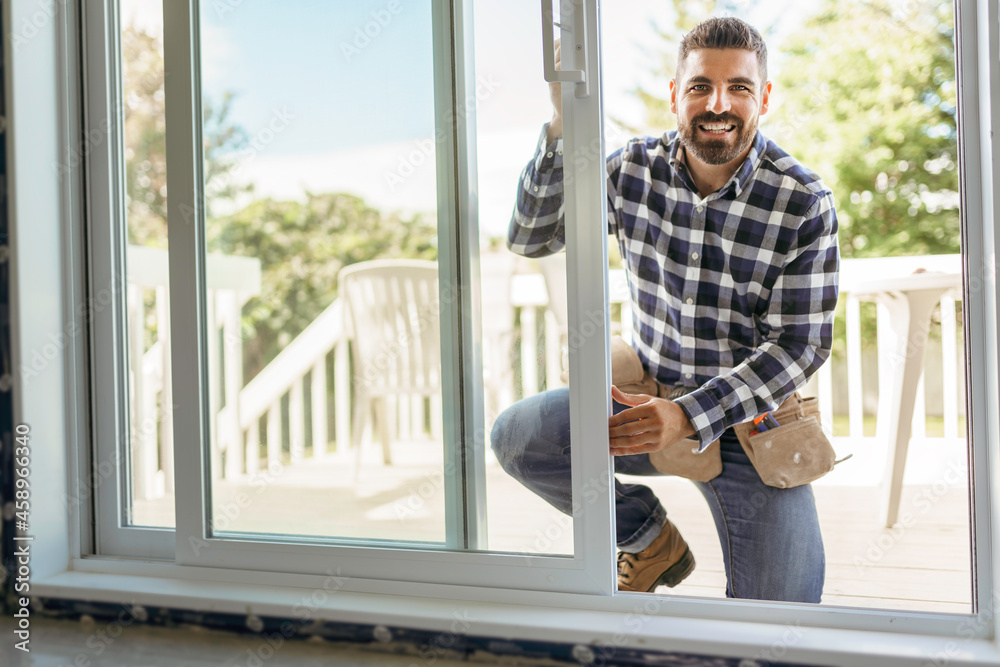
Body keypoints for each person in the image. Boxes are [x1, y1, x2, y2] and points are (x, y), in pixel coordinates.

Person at [491, 17, 839, 603]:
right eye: (701, 86)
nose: (719, 103)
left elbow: (798, 348)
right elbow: (532, 236)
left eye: (740, 88)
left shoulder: (803, 202)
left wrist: (687, 415)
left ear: (766, 98)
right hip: (639, 403)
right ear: (676, 94)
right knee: (522, 437)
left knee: (787, 612)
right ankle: (647, 539)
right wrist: (559, 121)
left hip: (747, 426)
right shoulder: (629, 170)